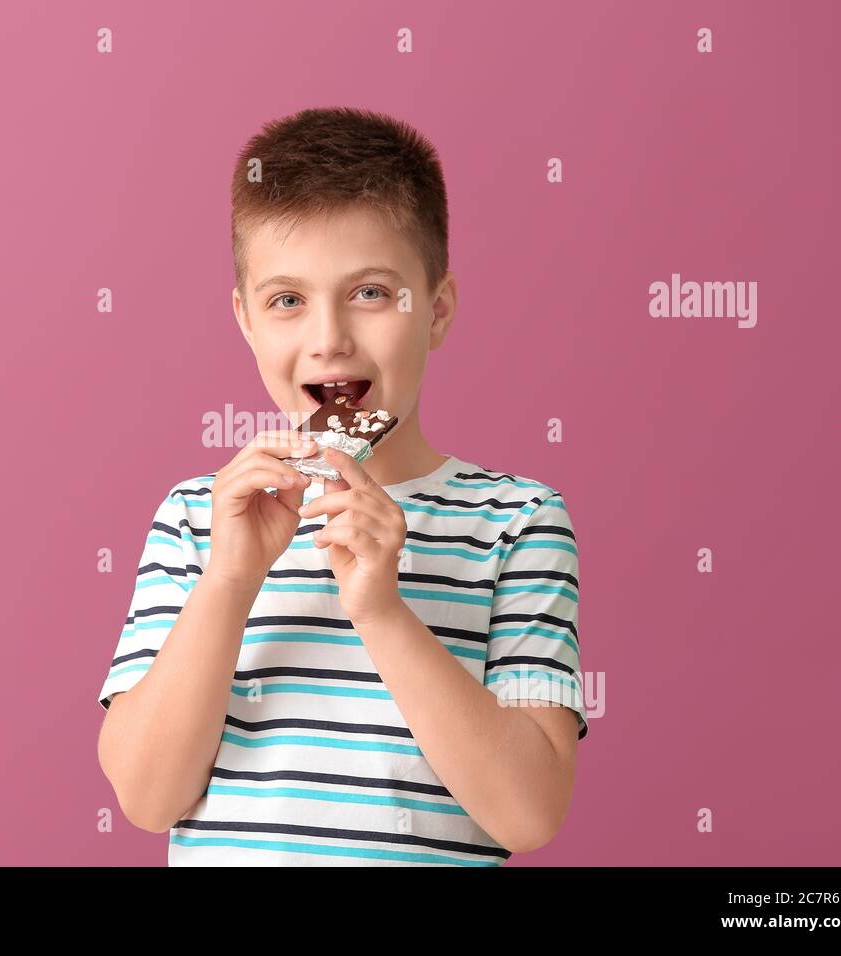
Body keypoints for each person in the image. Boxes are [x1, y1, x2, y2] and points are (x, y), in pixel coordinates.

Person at [96, 106, 587, 866]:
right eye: (287, 300)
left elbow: (529, 813)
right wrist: (229, 581)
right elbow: (146, 796)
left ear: (438, 311)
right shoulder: (198, 520)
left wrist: (383, 612)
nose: (329, 337)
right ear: (246, 322)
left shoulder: (517, 522)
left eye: (369, 293)